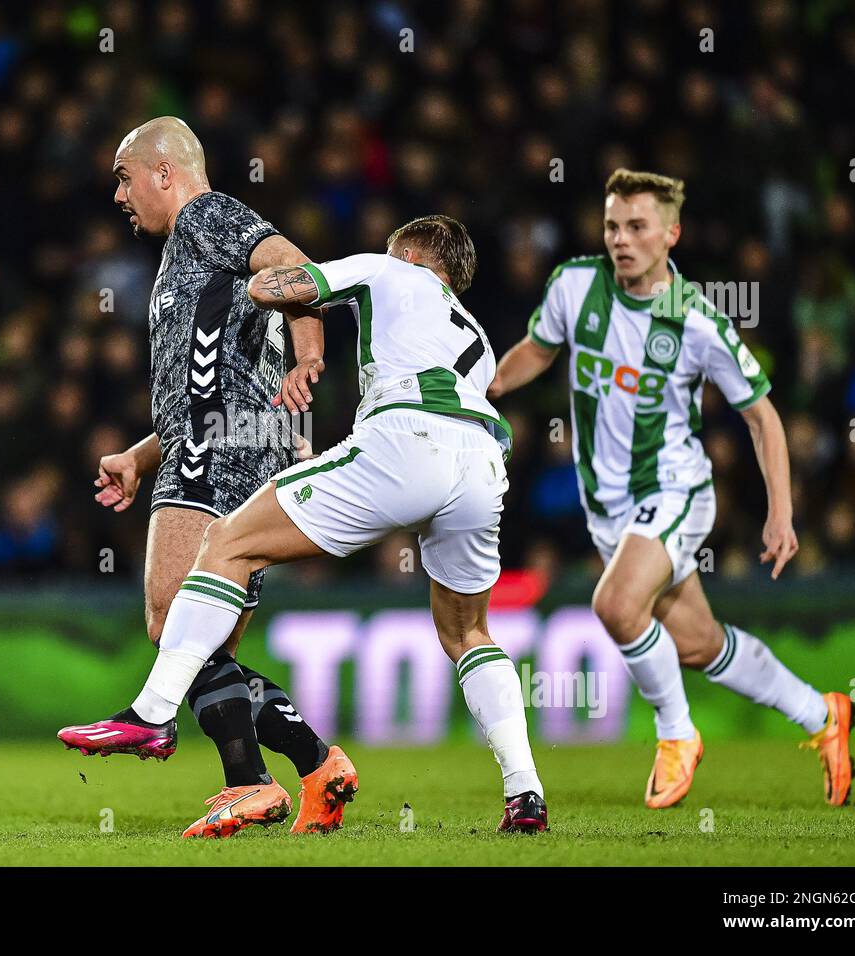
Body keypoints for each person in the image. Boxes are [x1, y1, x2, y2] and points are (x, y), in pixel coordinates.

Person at [62, 215, 549, 834]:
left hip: (405, 440)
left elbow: (279, 286)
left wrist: (238, 293)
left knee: (228, 543)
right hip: (482, 465)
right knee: (469, 633)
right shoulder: (472, 330)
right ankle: (525, 791)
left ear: (412, 253)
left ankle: (153, 711)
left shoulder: (387, 267)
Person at [489, 169, 855, 808]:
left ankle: (677, 734)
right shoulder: (575, 285)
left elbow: (762, 415)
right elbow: (538, 351)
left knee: (615, 605)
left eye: (637, 227)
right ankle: (821, 714)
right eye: (612, 226)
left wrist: (781, 514)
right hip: (607, 508)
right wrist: (489, 386)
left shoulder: (698, 321)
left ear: (671, 234)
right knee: (699, 645)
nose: (621, 240)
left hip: (675, 490)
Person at [59, 117, 357, 839]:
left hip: (216, 455)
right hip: (222, 444)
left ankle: (250, 779)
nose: (121, 197)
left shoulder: (206, 216)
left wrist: (308, 354)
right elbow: (207, 384)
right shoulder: (189, 257)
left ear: (166, 171)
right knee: (204, 644)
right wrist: (138, 455)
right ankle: (311, 768)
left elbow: (300, 271)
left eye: (125, 178)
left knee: (168, 619)